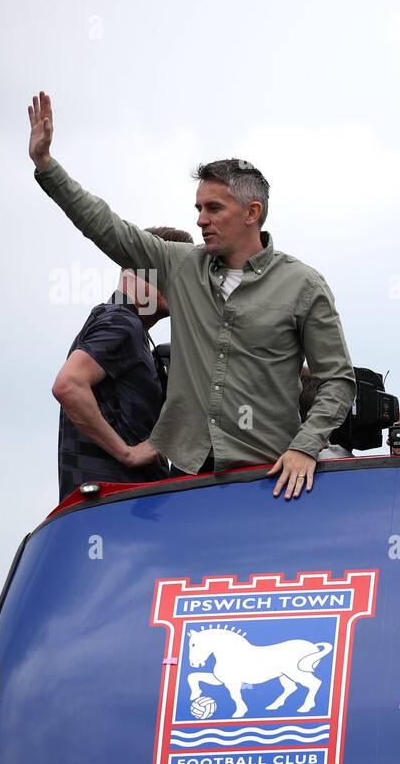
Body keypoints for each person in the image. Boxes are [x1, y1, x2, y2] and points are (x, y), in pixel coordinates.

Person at [27, 91, 355, 501]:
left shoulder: (304, 285)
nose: (200, 220)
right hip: (187, 482)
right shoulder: (180, 264)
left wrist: (305, 447)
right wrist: (47, 166)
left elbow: (338, 381)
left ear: (252, 213)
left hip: (270, 481)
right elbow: (107, 226)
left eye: (213, 208)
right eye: (198, 207)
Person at [53, 226, 190, 500]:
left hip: (115, 511)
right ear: (135, 272)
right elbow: (68, 385)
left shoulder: (133, 331)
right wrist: (127, 453)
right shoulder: (121, 322)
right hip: (111, 508)